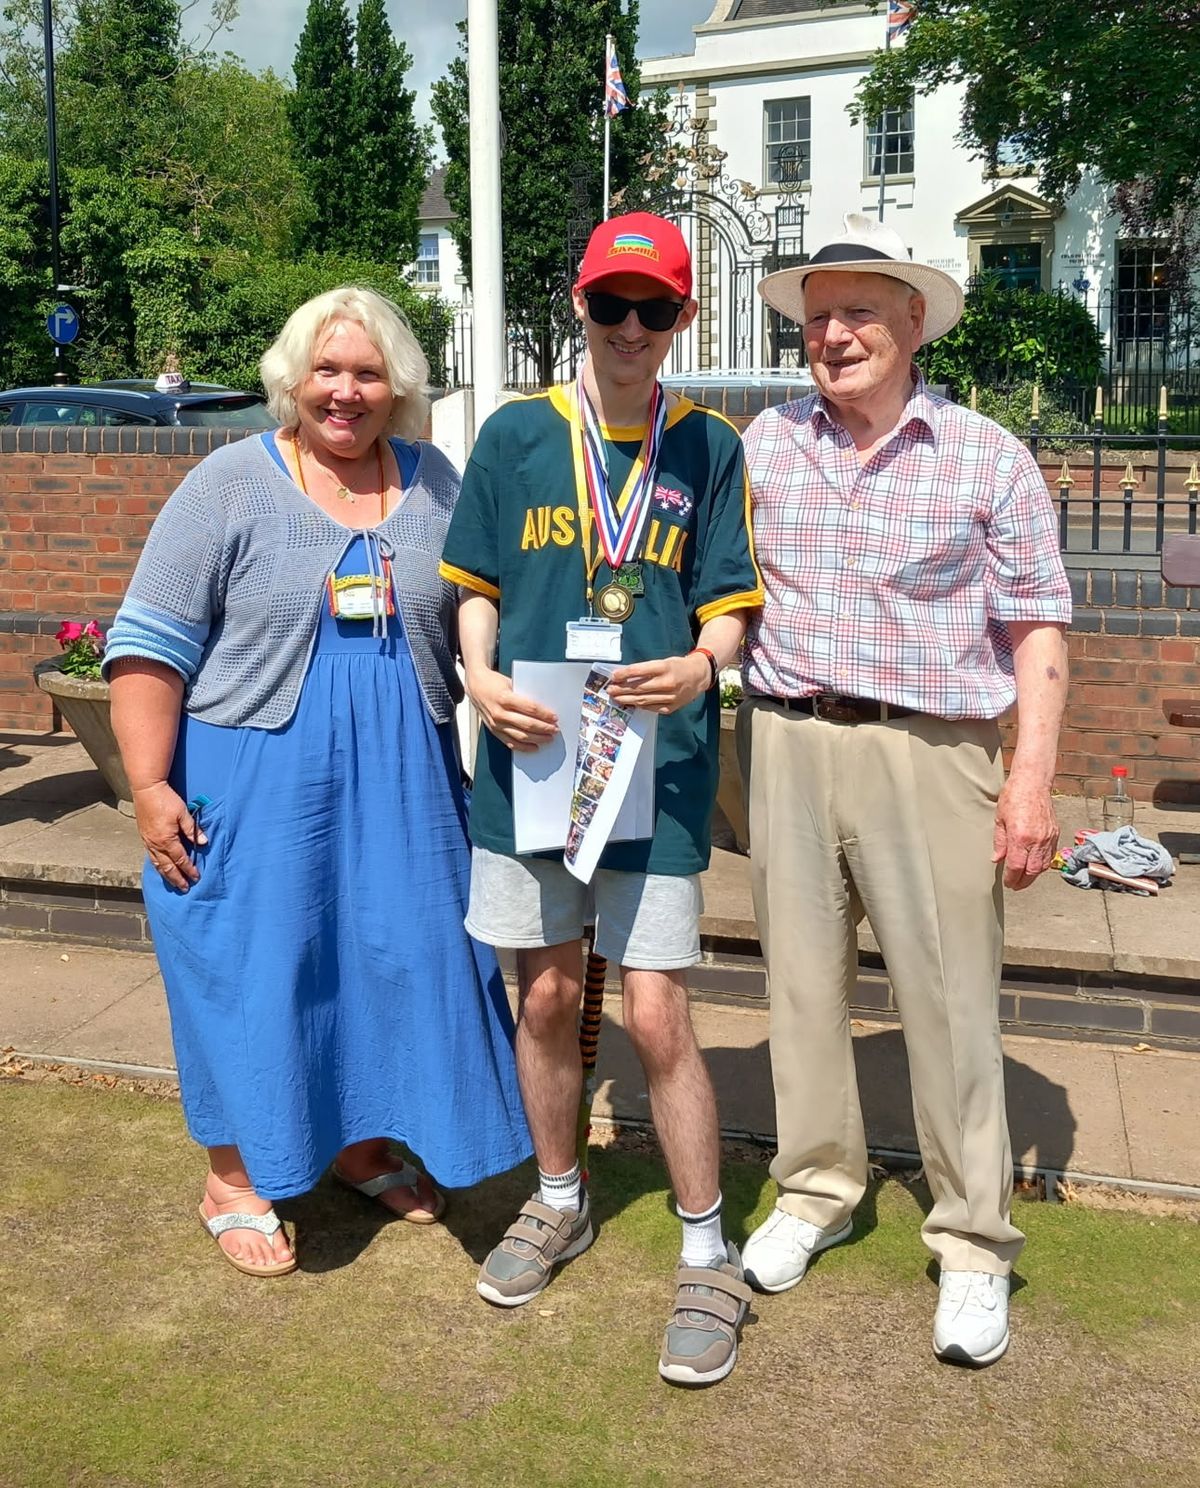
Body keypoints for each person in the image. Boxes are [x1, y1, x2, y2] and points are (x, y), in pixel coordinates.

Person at [105, 286, 531, 1277]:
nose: (344, 392)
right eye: (327, 371)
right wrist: (147, 784)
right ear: (291, 379)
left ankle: (359, 1141)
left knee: (396, 960)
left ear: (401, 388)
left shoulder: (437, 484)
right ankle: (233, 1176)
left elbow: (494, 610)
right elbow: (148, 650)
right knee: (262, 969)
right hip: (256, 779)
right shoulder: (225, 486)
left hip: (407, 779)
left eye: (368, 373)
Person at [738, 213, 1071, 1366]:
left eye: (860, 313)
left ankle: (974, 1241)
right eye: (818, 316)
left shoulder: (987, 456)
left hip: (936, 754)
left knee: (948, 1003)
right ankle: (816, 1189)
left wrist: (1029, 782)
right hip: (787, 738)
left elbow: (1037, 630)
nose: (834, 336)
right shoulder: (763, 447)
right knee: (800, 991)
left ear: (915, 321)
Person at [438, 212, 763, 1386]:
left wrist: (705, 664)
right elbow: (473, 585)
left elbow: (729, 598)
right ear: (578, 306)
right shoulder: (518, 434)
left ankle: (707, 1248)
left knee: (660, 1016)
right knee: (546, 1001)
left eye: (657, 309)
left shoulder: (709, 447)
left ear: (683, 319)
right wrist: (477, 678)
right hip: (532, 756)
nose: (632, 330)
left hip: (659, 767)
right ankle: (560, 1198)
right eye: (611, 306)